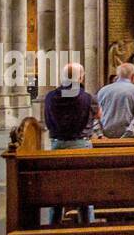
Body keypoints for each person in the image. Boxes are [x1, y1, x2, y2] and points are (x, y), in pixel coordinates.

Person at [41, 63, 101, 224]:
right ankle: (86, 224)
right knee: (85, 186)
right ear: (80, 77)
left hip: (57, 145)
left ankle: (54, 224)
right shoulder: (87, 97)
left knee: (57, 187)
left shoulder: (49, 97)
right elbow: (98, 115)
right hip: (81, 145)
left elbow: (47, 117)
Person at [95, 63, 134, 138]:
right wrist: (127, 135)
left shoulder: (103, 90)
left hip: (106, 135)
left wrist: (100, 134)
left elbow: (95, 115)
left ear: (118, 75)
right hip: (130, 138)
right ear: (133, 76)